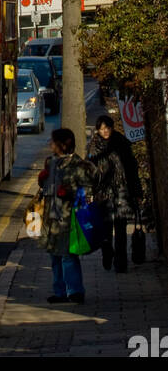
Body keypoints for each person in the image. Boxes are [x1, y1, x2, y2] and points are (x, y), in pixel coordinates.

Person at [37, 128, 94, 304]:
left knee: (68, 256)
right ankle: (60, 291)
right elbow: (45, 188)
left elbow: (88, 191)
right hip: (52, 216)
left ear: (63, 144)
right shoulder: (50, 162)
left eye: (53, 141)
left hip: (69, 216)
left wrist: (70, 191)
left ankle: (75, 291)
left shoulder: (78, 165)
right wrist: (43, 179)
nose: (51, 144)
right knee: (54, 257)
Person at [88, 115, 142, 272]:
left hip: (121, 192)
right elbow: (90, 173)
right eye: (102, 129)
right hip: (103, 194)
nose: (105, 132)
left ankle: (121, 262)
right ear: (98, 130)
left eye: (107, 128)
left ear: (112, 128)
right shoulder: (94, 147)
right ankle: (107, 252)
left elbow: (132, 169)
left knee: (121, 229)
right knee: (105, 229)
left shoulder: (122, 143)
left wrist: (137, 192)